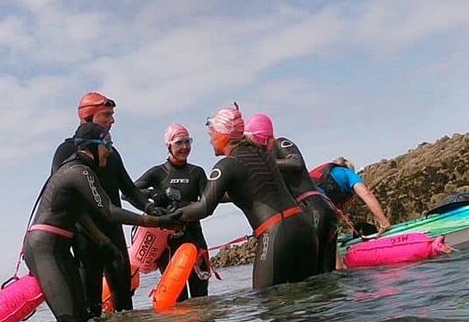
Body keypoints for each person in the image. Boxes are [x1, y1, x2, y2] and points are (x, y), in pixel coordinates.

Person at [26, 121, 180, 322]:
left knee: (85, 319)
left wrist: (104, 242)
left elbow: (80, 212)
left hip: (58, 248)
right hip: (44, 249)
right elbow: (108, 211)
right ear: (91, 147)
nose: (110, 151)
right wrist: (157, 221)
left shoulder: (81, 169)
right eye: (107, 145)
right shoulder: (79, 171)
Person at [173, 104, 317, 288]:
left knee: (268, 302)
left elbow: (204, 208)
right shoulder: (262, 154)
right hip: (304, 228)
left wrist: (169, 216)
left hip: (275, 234)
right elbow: (248, 192)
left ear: (223, 135)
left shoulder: (227, 165)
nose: (211, 141)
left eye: (212, 135)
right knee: (312, 299)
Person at [49, 92, 153, 316]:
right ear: (88, 118)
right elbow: (62, 200)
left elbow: (131, 191)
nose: (112, 121)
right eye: (107, 115)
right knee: (92, 307)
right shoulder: (66, 151)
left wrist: (153, 210)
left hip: (113, 234)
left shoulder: (111, 153)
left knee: (125, 303)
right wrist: (97, 236)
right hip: (85, 236)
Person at [248, 112, 341, 273]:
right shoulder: (267, 159)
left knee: (312, 273)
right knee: (326, 273)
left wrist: (265, 163)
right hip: (316, 211)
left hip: (314, 209)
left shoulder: (281, 143)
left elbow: (296, 162)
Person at [134, 123, 211, 301]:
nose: (184, 147)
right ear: (169, 145)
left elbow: (208, 203)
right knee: (178, 299)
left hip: (195, 238)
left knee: (201, 298)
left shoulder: (197, 172)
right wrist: (153, 199)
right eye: (179, 143)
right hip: (168, 244)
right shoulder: (158, 173)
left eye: (187, 141)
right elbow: (129, 193)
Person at [312, 156, 392, 235]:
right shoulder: (346, 172)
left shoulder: (322, 176)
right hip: (318, 206)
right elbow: (366, 194)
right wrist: (384, 223)